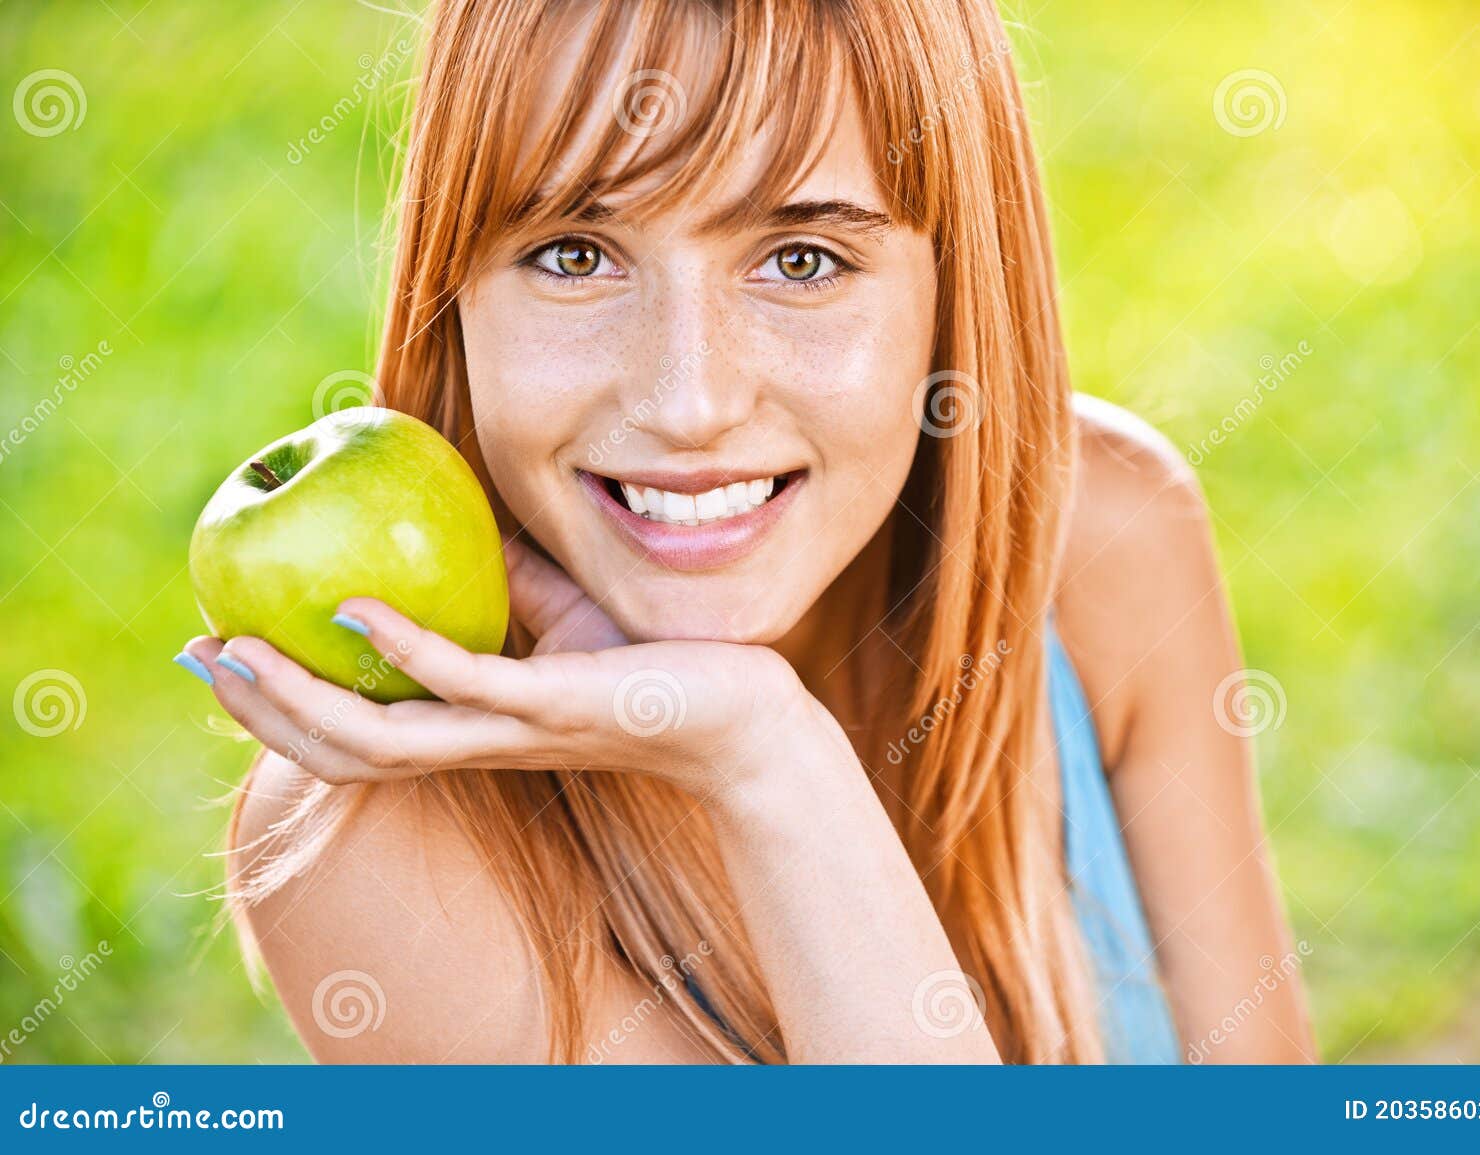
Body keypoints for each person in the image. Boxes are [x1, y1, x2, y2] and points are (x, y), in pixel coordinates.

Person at [177, 0, 1314, 1064]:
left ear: (953, 286)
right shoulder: (372, 844)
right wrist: (766, 764)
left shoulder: (1103, 536)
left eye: (801, 259)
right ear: (452, 288)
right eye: (574, 253)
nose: (688, 402)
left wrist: (765, 758)